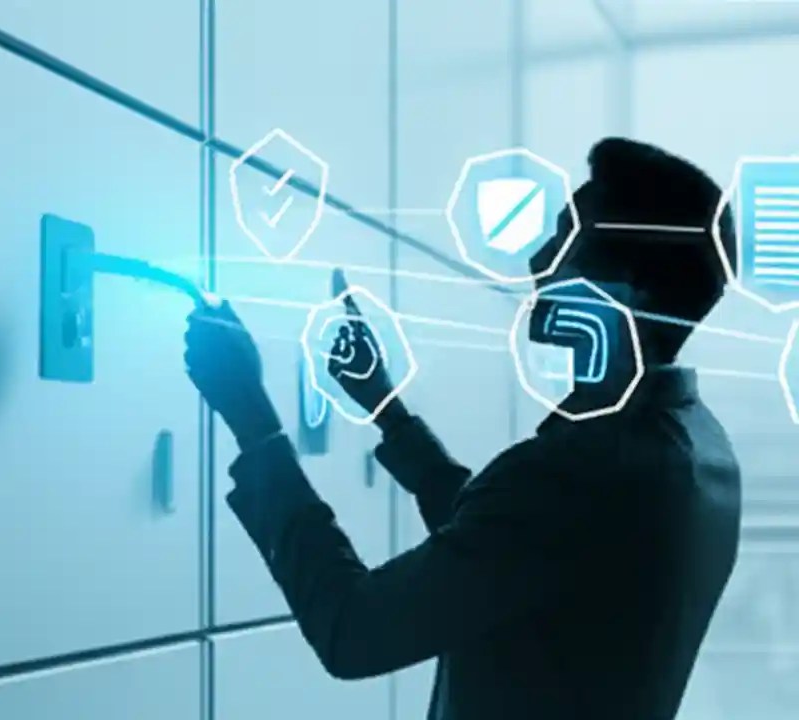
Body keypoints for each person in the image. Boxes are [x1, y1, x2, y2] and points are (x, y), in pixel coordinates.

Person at [183, 138, 742, 720]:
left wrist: (254, 422)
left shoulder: (584, 469)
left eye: (566, 241)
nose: (538, 261)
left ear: (634, 284)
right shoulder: (702, 450)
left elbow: (353, 629)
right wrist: (387, 410)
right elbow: (515, 550)